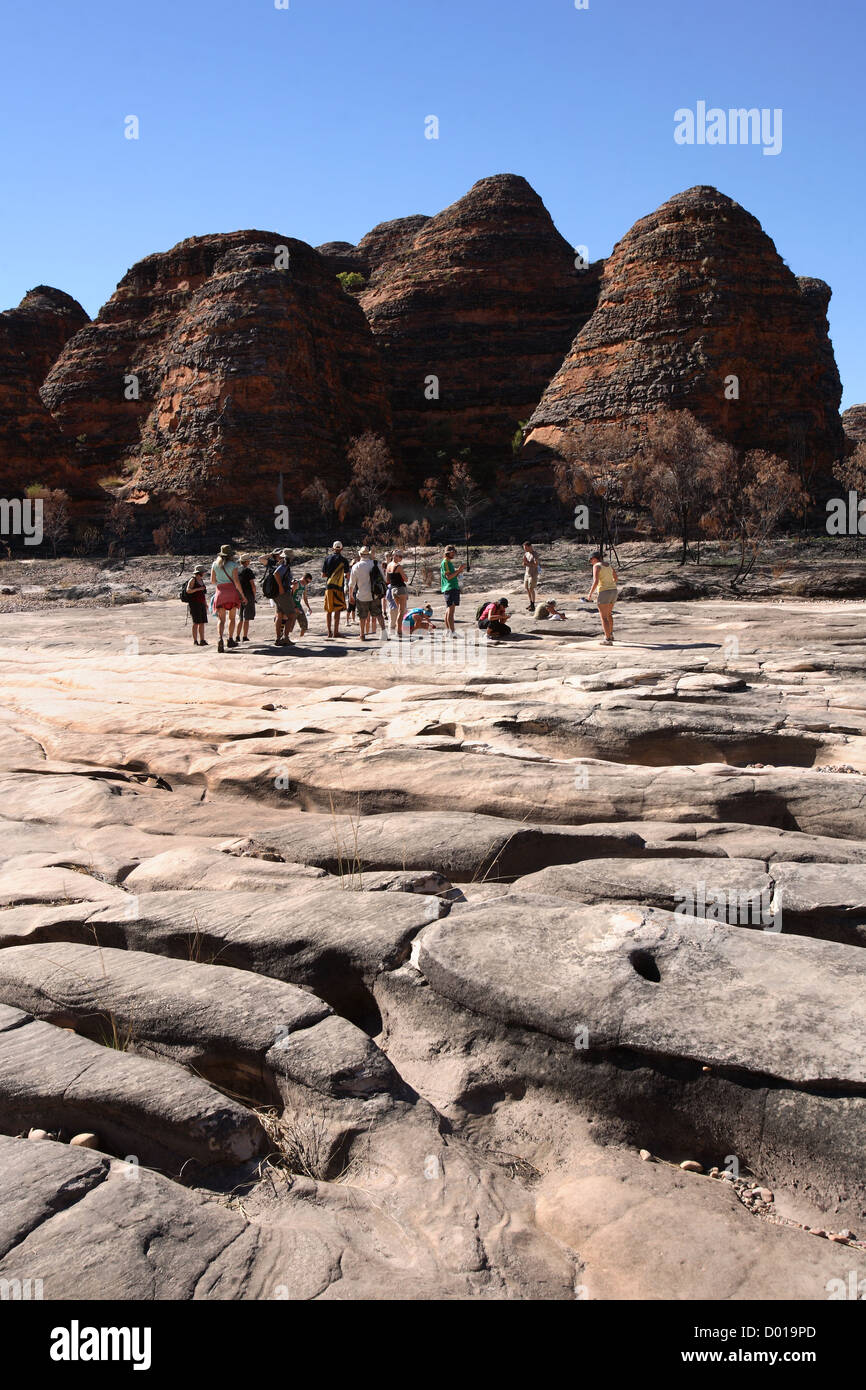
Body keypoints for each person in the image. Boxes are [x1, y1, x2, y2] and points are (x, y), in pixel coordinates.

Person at [210, 544, 245, 652]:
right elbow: (236, 581)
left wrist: (221, 583)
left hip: (220, 593)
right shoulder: (233, 565)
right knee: (232, 618)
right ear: (230, 555)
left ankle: (220, 638)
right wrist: (242, 595)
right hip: (232, 593)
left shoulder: (215, 564)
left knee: (221, 619)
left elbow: (212, 581)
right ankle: (230, 639)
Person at [587, 551, 619, 644]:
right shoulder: (609, 565)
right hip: (613, 591)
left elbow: (596, 581)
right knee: (609, 614)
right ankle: (611, 635)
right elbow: (616, 578)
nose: (591, 562)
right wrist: (610, 584)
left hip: (604, 591)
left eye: (591, 560)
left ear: (594, 559)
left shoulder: (596, 566)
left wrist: (590, 593)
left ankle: (607, 639)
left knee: (603, 616)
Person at [349, 546, 379, 641]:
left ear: (360, 555)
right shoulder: (374, 564)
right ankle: (383, 632)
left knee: (362, 616)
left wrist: (350, 596)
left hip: (361, 594)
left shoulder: (356, 566)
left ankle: (362, 634)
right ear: (368, 554)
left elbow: (351, 584)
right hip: (374, 594)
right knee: (378, 614)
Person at [322, 541, 349, 638]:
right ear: (341, 549)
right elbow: (347, 575)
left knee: (329, 610)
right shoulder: (344, 560)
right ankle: (335, 632)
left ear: (333, 548)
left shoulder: (327, 558)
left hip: (329, 587)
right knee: (337, 610)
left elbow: (323, 575)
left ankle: (329, 632)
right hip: (339, 587)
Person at [440, 545, 465, 636]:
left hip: (451, 587)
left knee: (448, 610)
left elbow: (452, 575)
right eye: (452, 552)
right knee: (451, 611)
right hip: (450, 588)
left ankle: (448, 631)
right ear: (448, 552)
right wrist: (459, 570)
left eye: (454, 552)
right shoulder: (445, 562)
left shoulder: (448, 562)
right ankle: (452, 632)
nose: (454, 554)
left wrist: (458, 571)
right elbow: (449, 577)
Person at [273, 550, 295, 646]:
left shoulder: (282, 565)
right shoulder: (284, 565)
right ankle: (285, 638)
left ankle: (278, 638)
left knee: (280, 615)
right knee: (291, 615)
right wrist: (281, 587)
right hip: (283, 594)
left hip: (277, 594)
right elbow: (276, 574)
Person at [185, 565, 209, 646]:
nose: (204, 573)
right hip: (194, 604)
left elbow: (203, 593)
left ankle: (202, 640)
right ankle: (195, 641)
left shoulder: (201, 580)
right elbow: (188, 590)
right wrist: (198, 589)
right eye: (203, 572)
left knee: (202, 622)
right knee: (196, 622)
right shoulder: (193, 580)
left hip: (201, 603)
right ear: (200, 573)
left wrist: (205, 604)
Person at [386, 551, 409, 634]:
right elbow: (406, 579)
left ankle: (397, 628)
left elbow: (387, 580)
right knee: (401, 611)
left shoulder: (388, 565)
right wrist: (405, 576)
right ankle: (399, 630)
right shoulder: (398, 566)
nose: (400, 558)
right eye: (400, 556)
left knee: (398, 609)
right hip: (401, 589)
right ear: (396, 556)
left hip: (393, 589)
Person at [237, 554, 256, 643]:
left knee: (240, 617)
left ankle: (237, 636)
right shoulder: (248, 570)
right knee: (247, 617)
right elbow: (252, 585)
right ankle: (244, 636)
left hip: (239, 595)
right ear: (247, 561)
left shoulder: (237, 570)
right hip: (248, 594)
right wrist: (254, 595)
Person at [522, 542, 539, 611]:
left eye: (526, 548)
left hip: (533, 574)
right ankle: (531, 603)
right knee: (527, 589)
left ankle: (533, 605)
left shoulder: (535, 554)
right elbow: (524, 564)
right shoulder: (526, 554)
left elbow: (536, 565)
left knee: (531, 589)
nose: (525, 549)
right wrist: (524, 563)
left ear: (530, 546)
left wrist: (527, 563)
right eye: (524, 548)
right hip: (527, 573)